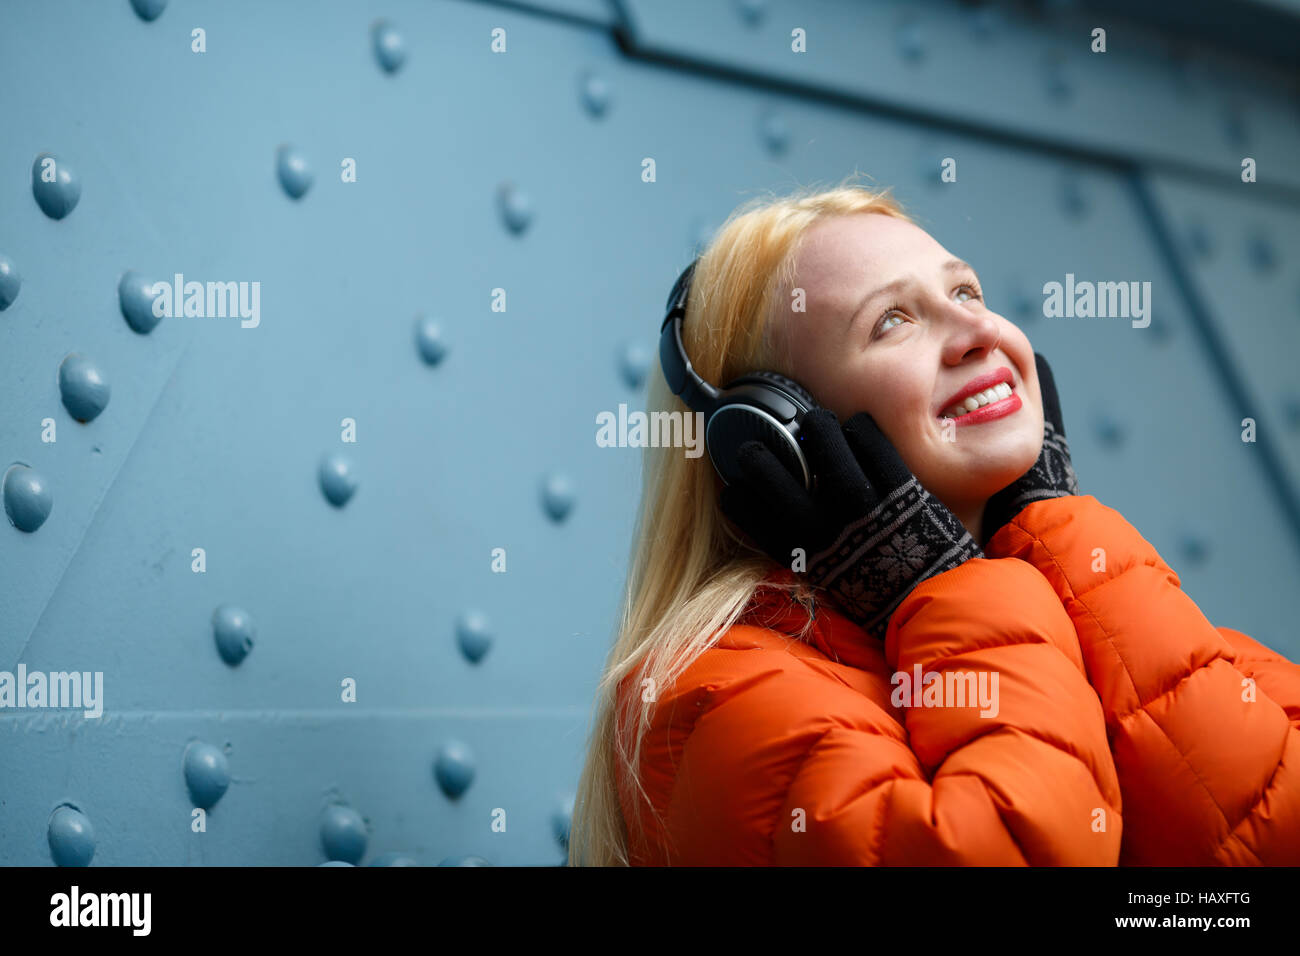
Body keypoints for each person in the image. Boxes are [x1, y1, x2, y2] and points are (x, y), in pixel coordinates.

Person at [567, 177, 1300, 866]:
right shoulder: (721, 704)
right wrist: (935, 581)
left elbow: (1270, 827)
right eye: (892, 321)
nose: (976, 331)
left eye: (965, 290)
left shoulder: (1087, 612)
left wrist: (1051, 529)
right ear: (779, 437)